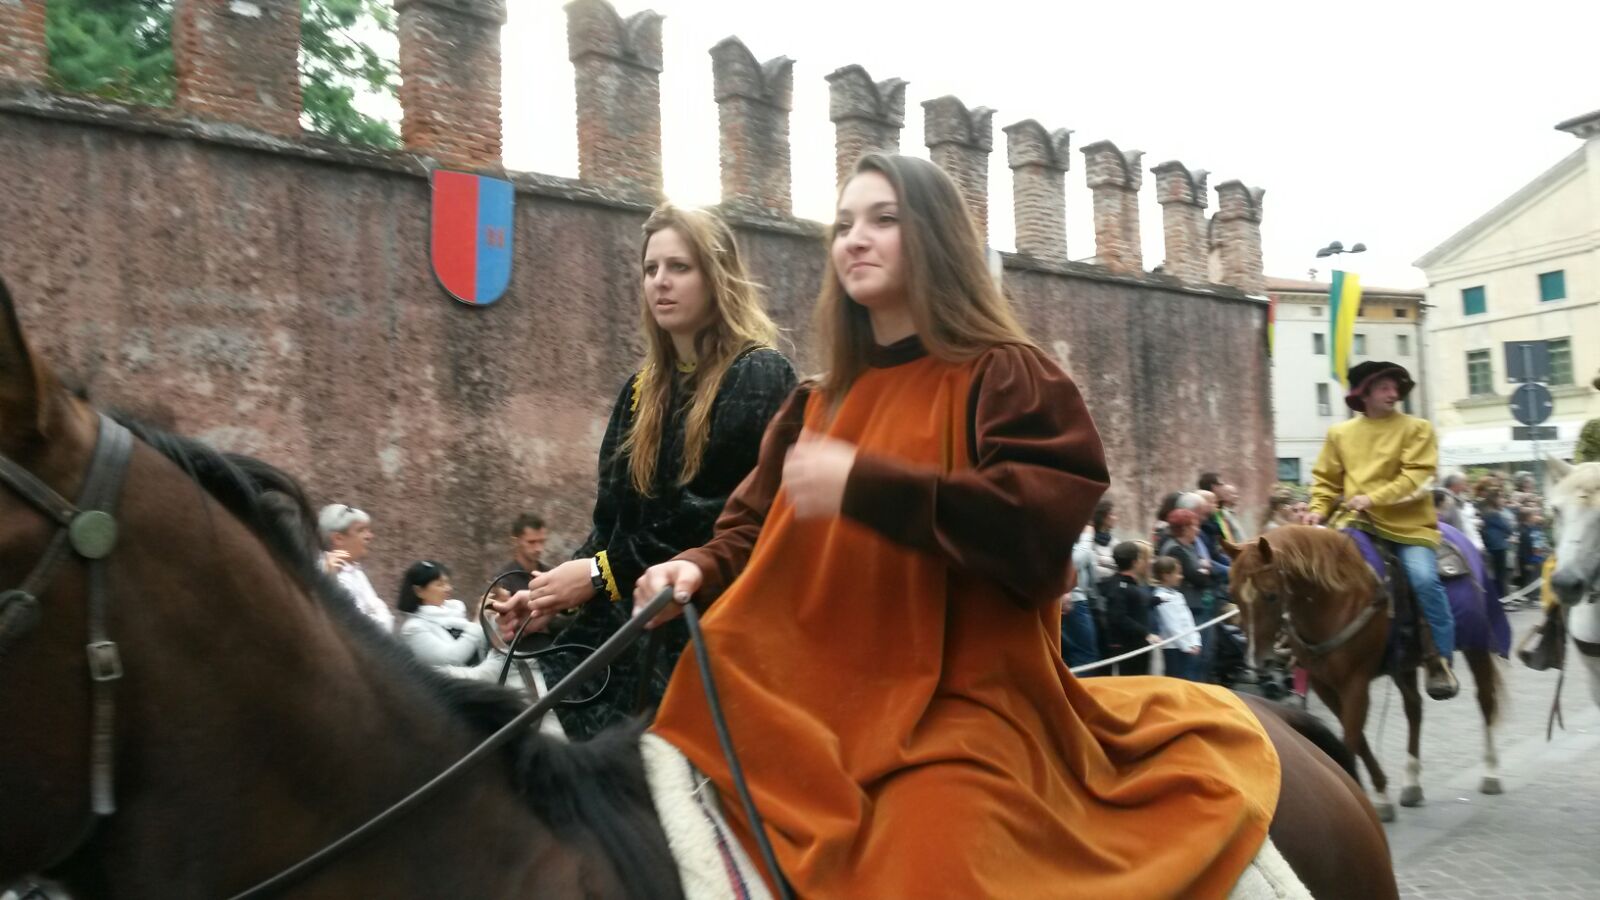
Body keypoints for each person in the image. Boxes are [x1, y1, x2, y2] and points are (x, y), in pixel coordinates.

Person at [634, 154, 1279, 897]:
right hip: (799, 698)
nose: (855, 239)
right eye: (843, 225)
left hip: (959, 705)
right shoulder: (815, 402)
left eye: (883, 219)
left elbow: (1032, 531)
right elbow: (747, 526)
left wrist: (866, 484)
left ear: (935, 237)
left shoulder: (1009, 375)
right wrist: (699, 567)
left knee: (934, 867)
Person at [492, 203, 797, 740]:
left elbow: (707, 521)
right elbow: (610, 523)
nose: (661, 282)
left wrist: (594, 576)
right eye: (651, 268)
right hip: (625, 618)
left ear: (716, 275)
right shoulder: (639, 390)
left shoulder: (758, 374)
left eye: (680, 267)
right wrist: (549, 599)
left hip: (708, 623)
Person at [1307, 360, 1458, 699]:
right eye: (1385, 387)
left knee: (1423, 579)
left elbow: (1418, 478)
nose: (1394, 393)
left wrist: (1372, 498)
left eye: (1396, 387)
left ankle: (1439, 659)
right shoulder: (1340, 434)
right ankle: (1301, 645)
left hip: (1408, 526)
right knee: (1314, 573)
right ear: (1365, 393)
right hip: (1354, 522)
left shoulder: (1417, 428)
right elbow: (1326, 481)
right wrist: (1317, 511)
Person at [395, 560, 486, 668]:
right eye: (440, 584)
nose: (448, 588)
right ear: (419, 591)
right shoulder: (413, 628)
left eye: (448, 583)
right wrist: (477, 621)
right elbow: (451, 659)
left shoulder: (454, 612)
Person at [317, 503, 392, 630]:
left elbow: (385, 618)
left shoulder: (355, 570)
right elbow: (355, 625)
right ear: (338, 538)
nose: (370, 536)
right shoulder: (327, 573)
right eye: (361, 530)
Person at [1099, 541, 1158, 674]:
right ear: (1134, 562)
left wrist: (1155, 600)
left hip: (1136, 643)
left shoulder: (1127, 584)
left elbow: (1135, 604)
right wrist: (1145, 633)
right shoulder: (1120, 586)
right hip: (1130, 645)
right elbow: (1119, 617)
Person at [1151, 556, 1202, 680]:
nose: (1181, 576)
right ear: (1166, 576)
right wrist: (1186, 646)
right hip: (1174, 647)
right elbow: (1171, 625)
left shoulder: (1178, 595)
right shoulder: (1160, 596)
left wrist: (1195, 641)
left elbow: (1189, 620)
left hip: (1188, 646)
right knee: (1176, 679)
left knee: (1188, 679)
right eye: (1178, 573)